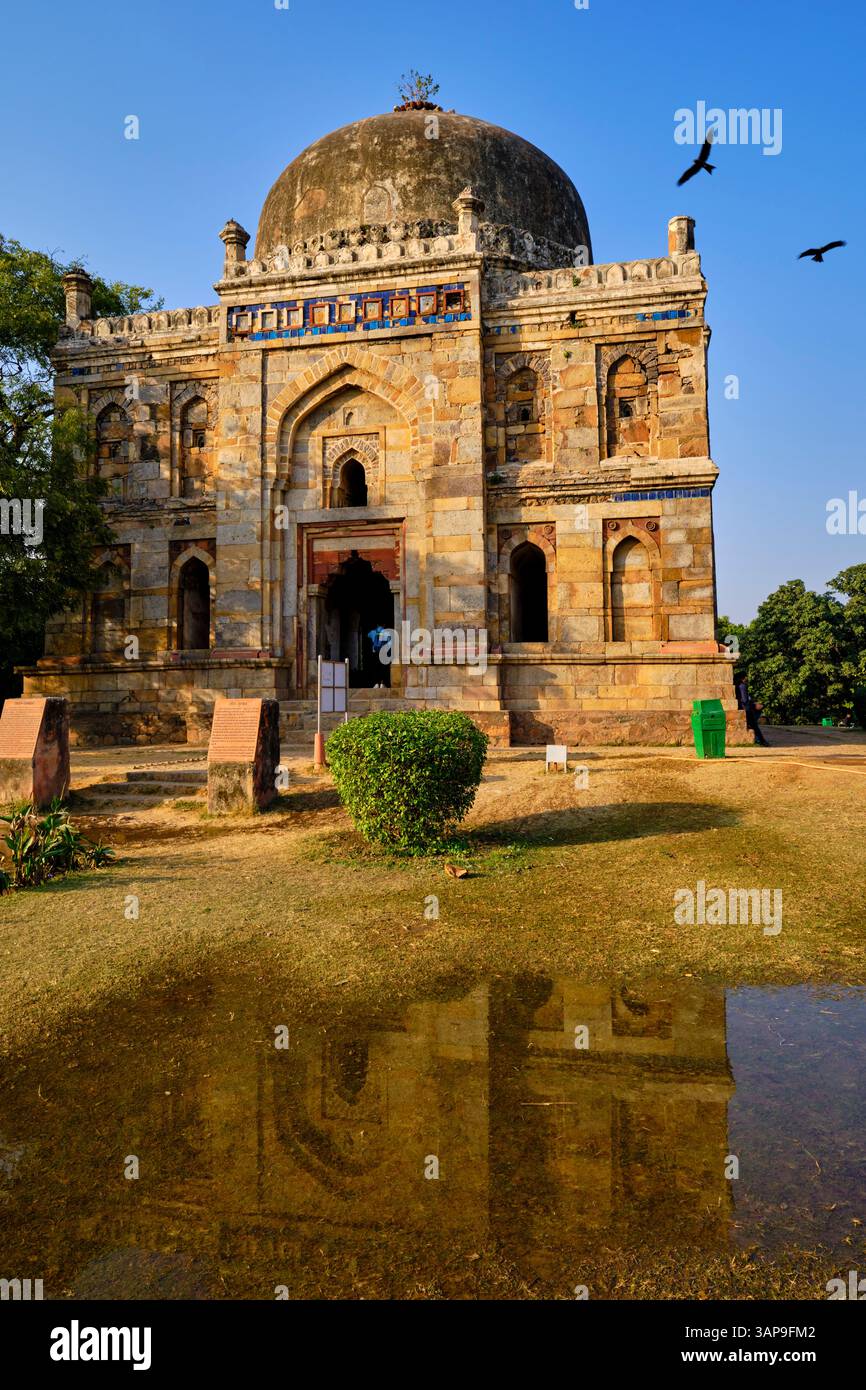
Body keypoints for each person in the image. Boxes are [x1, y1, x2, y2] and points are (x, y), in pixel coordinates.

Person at [737, 675, 769, 747]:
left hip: (745, 707)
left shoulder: (739, 686)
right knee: (754, 724)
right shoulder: (742, 686)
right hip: (746, 709)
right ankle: (762, 741)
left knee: (754, 724)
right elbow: (745, 700)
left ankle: (761, 740)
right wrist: (754, 705)